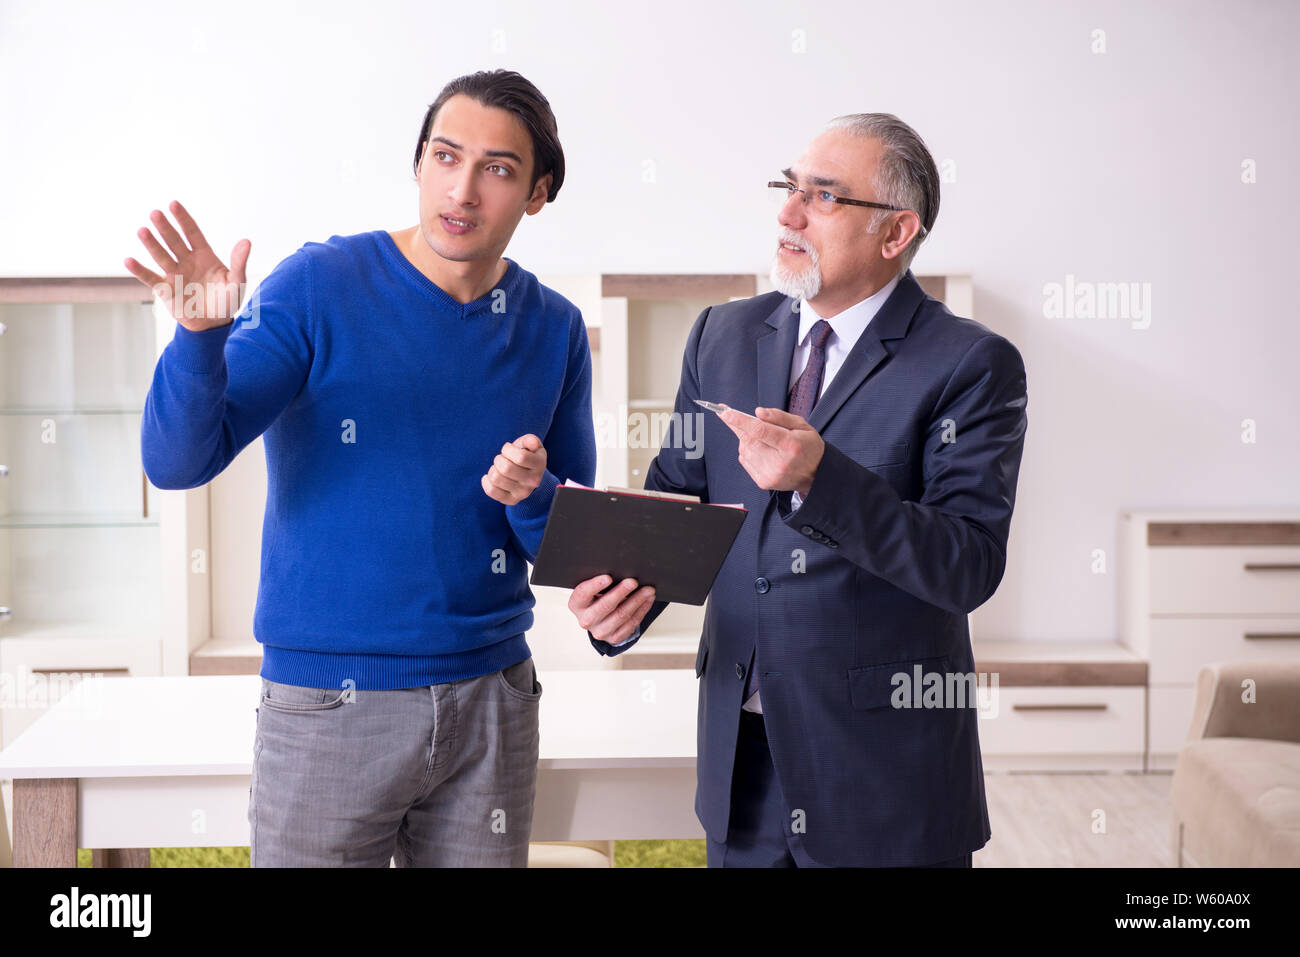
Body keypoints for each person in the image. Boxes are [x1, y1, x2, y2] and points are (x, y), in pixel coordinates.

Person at [128, 69, 595, 867]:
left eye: (498, 168)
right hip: (328, 707)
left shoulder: (553, 327)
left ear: (538, 193)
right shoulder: (318, 287)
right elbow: (177, 462)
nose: (463, 188)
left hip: (492, 703)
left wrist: (529, 496)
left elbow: (570, 541)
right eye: (445, 156)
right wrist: (201, 338)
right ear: (418, 165)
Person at [569, 113, 1028, 867]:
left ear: (895, 232)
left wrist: (822, 478)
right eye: (789, 187)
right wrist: (619, 602)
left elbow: (967, 563)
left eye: (823, 196)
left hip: (885, 785)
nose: (788, 213)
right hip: (740, 773)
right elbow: (678, 505)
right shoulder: (720, 334)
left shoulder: (971, 364)